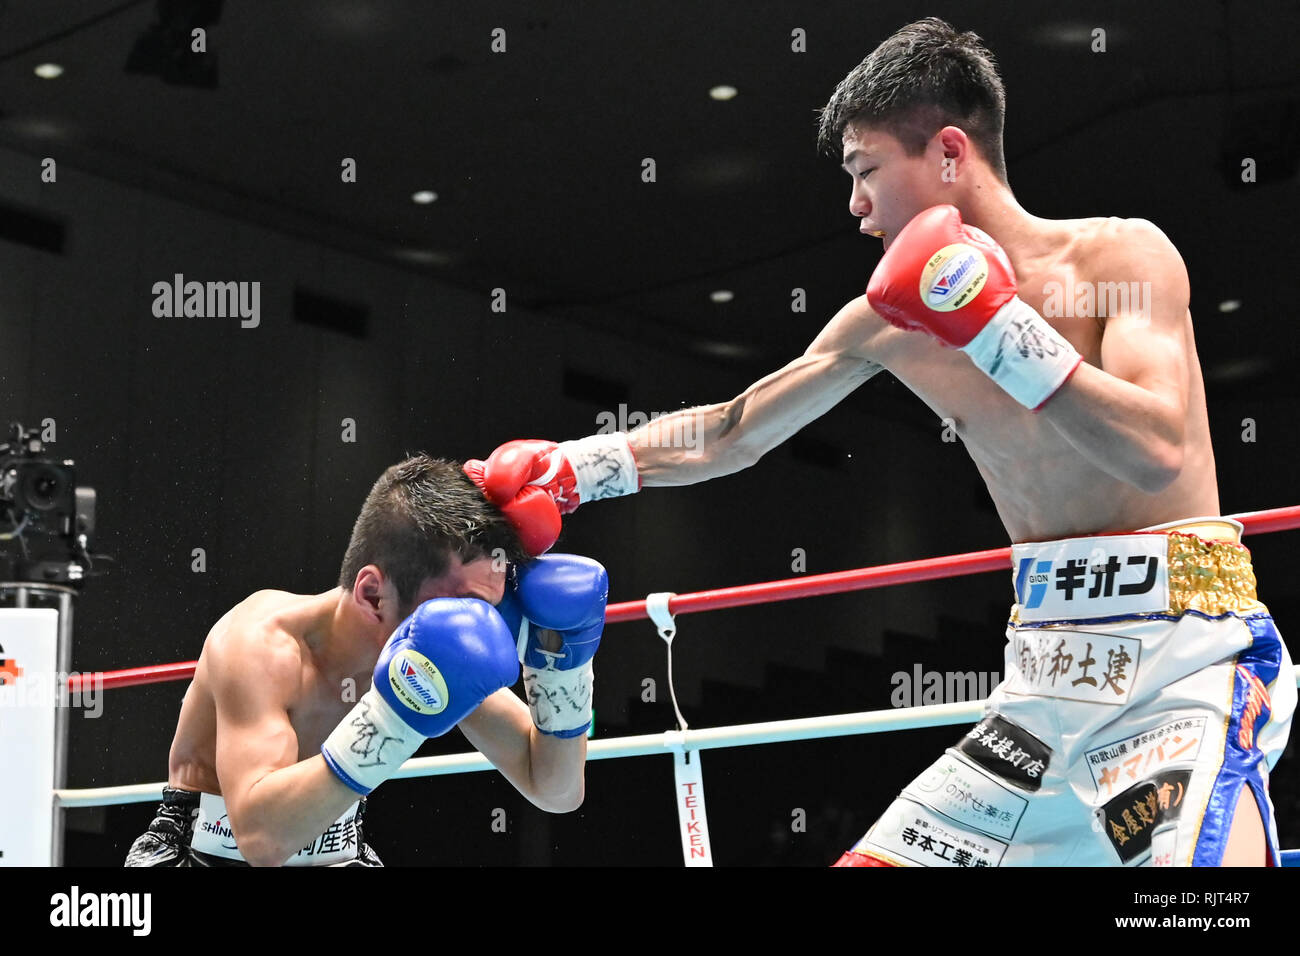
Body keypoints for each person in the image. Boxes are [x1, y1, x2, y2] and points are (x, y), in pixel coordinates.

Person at [466, 18, 1295, 866]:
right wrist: (577, 468)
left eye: (866, 173)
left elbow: (1156, 448)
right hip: (1041, 690)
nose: (855, 208)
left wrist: (995, 328)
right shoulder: (890, 321)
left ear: (946, 153)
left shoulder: (1121, 256)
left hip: (1184, 663)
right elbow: (733, 429)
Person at [126, 454, 607, 866]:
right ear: (373, 593)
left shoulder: (444, 648)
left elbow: (557, 792)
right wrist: (393, 720)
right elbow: (261, 840)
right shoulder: (260, 645)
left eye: (485, 609)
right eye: (456, 608)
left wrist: (562, 671)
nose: (471, 627)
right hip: (200, 852)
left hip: (341, 849)